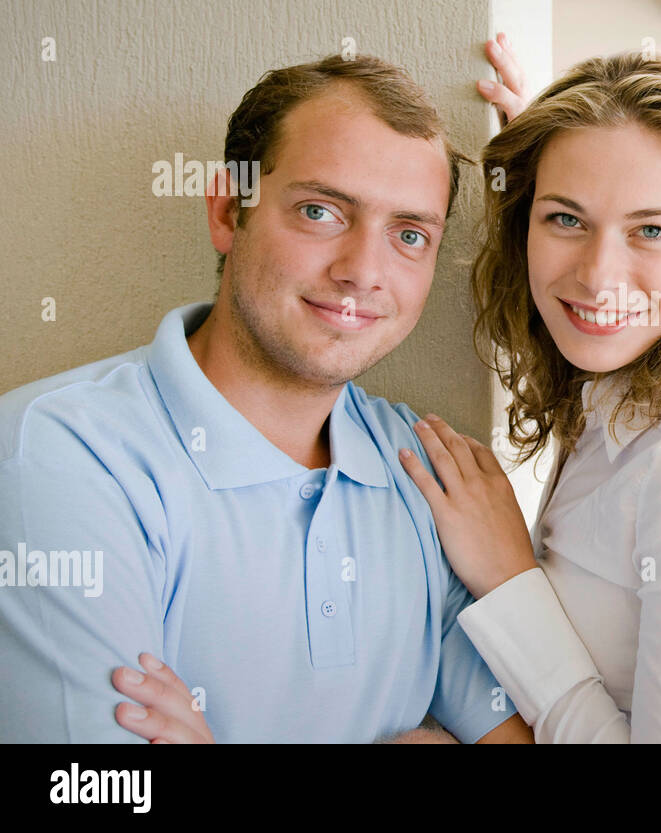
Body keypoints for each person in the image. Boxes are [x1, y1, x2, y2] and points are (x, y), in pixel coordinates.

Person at [0, 46, 534, 743]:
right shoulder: (60, 453)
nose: (362, 272)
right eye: (321, 211)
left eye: (409, 234)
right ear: (228, 210)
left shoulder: (429, 471)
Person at [399, 50, 661, 742]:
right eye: (566, 219)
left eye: (651, 229)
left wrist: (509, 577)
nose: (598, 277)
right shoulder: (615, 393)